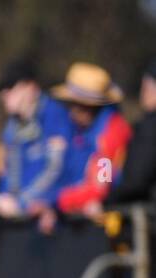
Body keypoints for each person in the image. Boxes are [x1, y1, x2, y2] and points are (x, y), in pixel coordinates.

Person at [0, 60, 70, 229]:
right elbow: (11, 170)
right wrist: (4, 198)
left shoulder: (54, 115)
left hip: (55, 220)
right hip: (21, 220)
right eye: (2, 90)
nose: (4, 95)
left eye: (11, 88)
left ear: (31, 87)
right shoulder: (12, 127)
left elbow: (56, 169)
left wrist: (21, 203)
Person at [52, 62, 133, 216]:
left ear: (90, 107)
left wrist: (57, 200)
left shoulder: (111, 136)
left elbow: (101, 186)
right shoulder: (79, 130)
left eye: (76, 105)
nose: (71, 111)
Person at [110, 59, 156, 205]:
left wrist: (105, 199)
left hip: (142, 214)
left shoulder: (149, 128)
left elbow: (135, 180)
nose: (143, 93)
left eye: (147, 87)